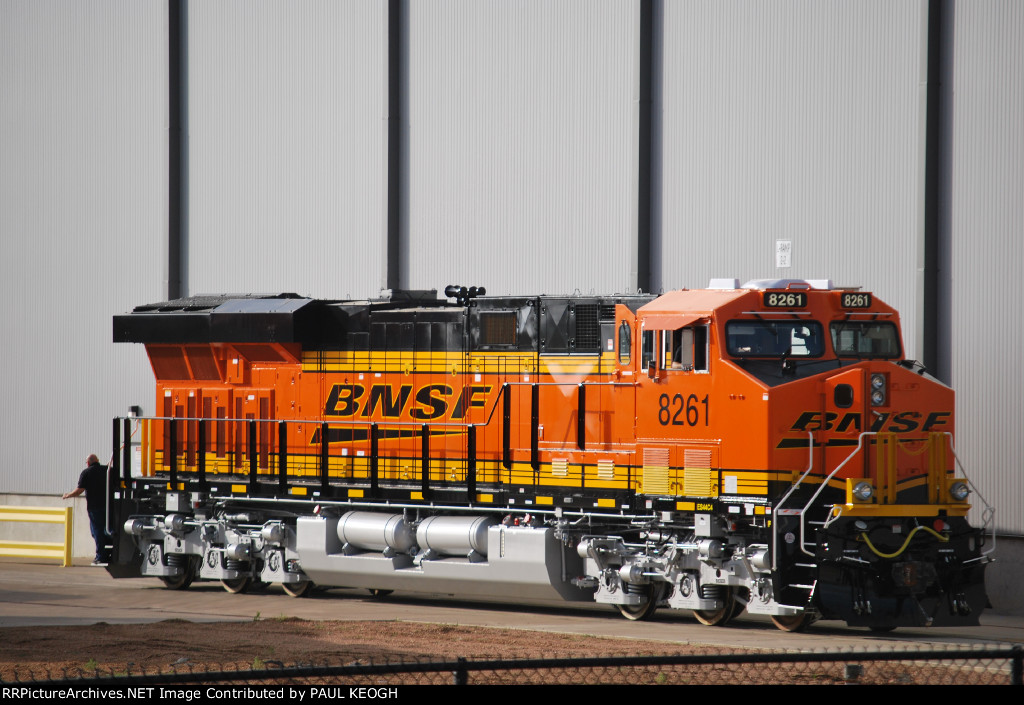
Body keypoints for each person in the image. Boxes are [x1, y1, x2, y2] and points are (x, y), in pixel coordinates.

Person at [62, 454, 110, 566]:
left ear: (88, 463)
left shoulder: (86, 473)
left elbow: (79, 490)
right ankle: (107, 554)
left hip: (94, 507)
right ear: (97, 460)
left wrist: (68, 495)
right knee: (106, 530)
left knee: (96, 532)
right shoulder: (106, 470)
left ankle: (100, 556)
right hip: (108, 506)